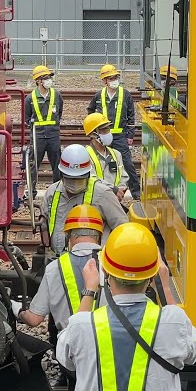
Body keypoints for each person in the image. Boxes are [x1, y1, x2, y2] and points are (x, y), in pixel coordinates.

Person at [56, 223, 196, 391]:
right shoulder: (173, 322)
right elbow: (194, 351)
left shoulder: (82, 326)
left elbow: (65, 357)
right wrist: (165, 286)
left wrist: (89, 291)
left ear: (104, 273)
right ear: (151, 278)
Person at [14, 204, 104, 333]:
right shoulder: (112, 264)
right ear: (99, 236)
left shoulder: (55, 267)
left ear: (68, 236)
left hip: (68, 346)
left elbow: (34, 319)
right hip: (107, 344)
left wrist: (17, 308)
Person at [42, 145, 128, 255]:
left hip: (93, 264)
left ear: (88, 175)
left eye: (79, 180)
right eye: (70, 179)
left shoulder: (102, 194)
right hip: (59, 261)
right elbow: (44, 224)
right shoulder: (52, 192)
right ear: (62, 175)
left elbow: (123, 229)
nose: (74, 184)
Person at [86, 64, 140, 200]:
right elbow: (90, 111)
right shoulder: (99, 95)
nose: (114, 80)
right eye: (111, 78)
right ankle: (105, 192)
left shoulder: (125, 94)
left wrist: (130, 135)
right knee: (102, 164)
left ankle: (136, 194)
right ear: (104, 81)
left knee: (127, 165)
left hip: (120, 136)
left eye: (116, 77)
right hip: (103, 136)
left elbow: (131, 115)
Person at [24, 65, 63, 182]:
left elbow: (59, 113)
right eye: (45, 78)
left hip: (53, 136)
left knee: (57, 165)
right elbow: (27, 118)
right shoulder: (30, 99)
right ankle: (31, 191)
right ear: (38, 81)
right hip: (38, 137)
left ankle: (58, 190)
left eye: (49, 77)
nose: (48, 80)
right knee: (33, 165)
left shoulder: (57, 96)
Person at [82, 112, 130, 202]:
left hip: (115, 200)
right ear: (93, 134)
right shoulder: (85, 155)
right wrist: (113, 190)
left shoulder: (116, 154)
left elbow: (123, 177)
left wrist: (120, 192)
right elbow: (91, 179)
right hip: (95, 201)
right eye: (104, 130)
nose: (108, 133)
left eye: (108, 129)